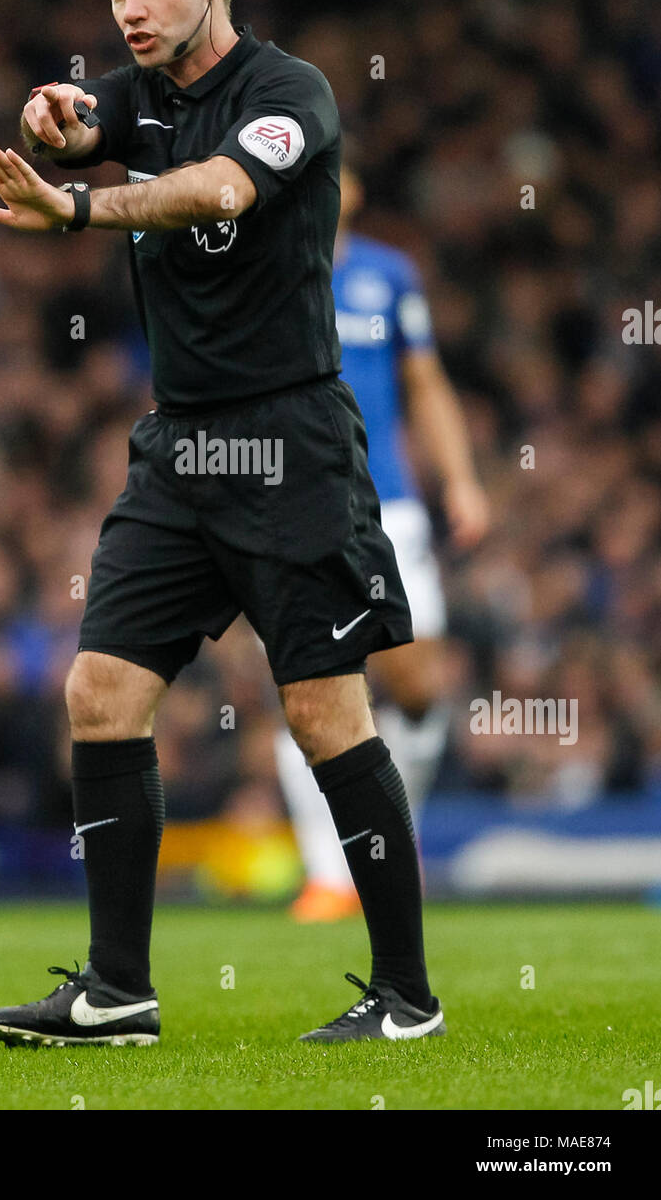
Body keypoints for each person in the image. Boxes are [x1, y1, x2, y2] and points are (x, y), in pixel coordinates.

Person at [0, 0, 445, 1046]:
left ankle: (404, 997)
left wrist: (79, 201)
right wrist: (50, 124)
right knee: (100, 695)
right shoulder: (134, 95)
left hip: (293, 441)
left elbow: (218, 189)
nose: (129, 11)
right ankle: (116, 989)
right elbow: (81, 124)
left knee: (323, 713)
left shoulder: (290, 94)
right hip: (179, 445)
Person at [276, 158, 490, 922]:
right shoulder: (264, 268)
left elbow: (425, 382)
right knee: (307, 686)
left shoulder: (387, 275)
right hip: (296, 508)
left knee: (417, 688)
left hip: (389, 502)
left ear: (355, 192)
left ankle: (394, 835)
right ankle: (329, 876)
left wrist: (460, 479)